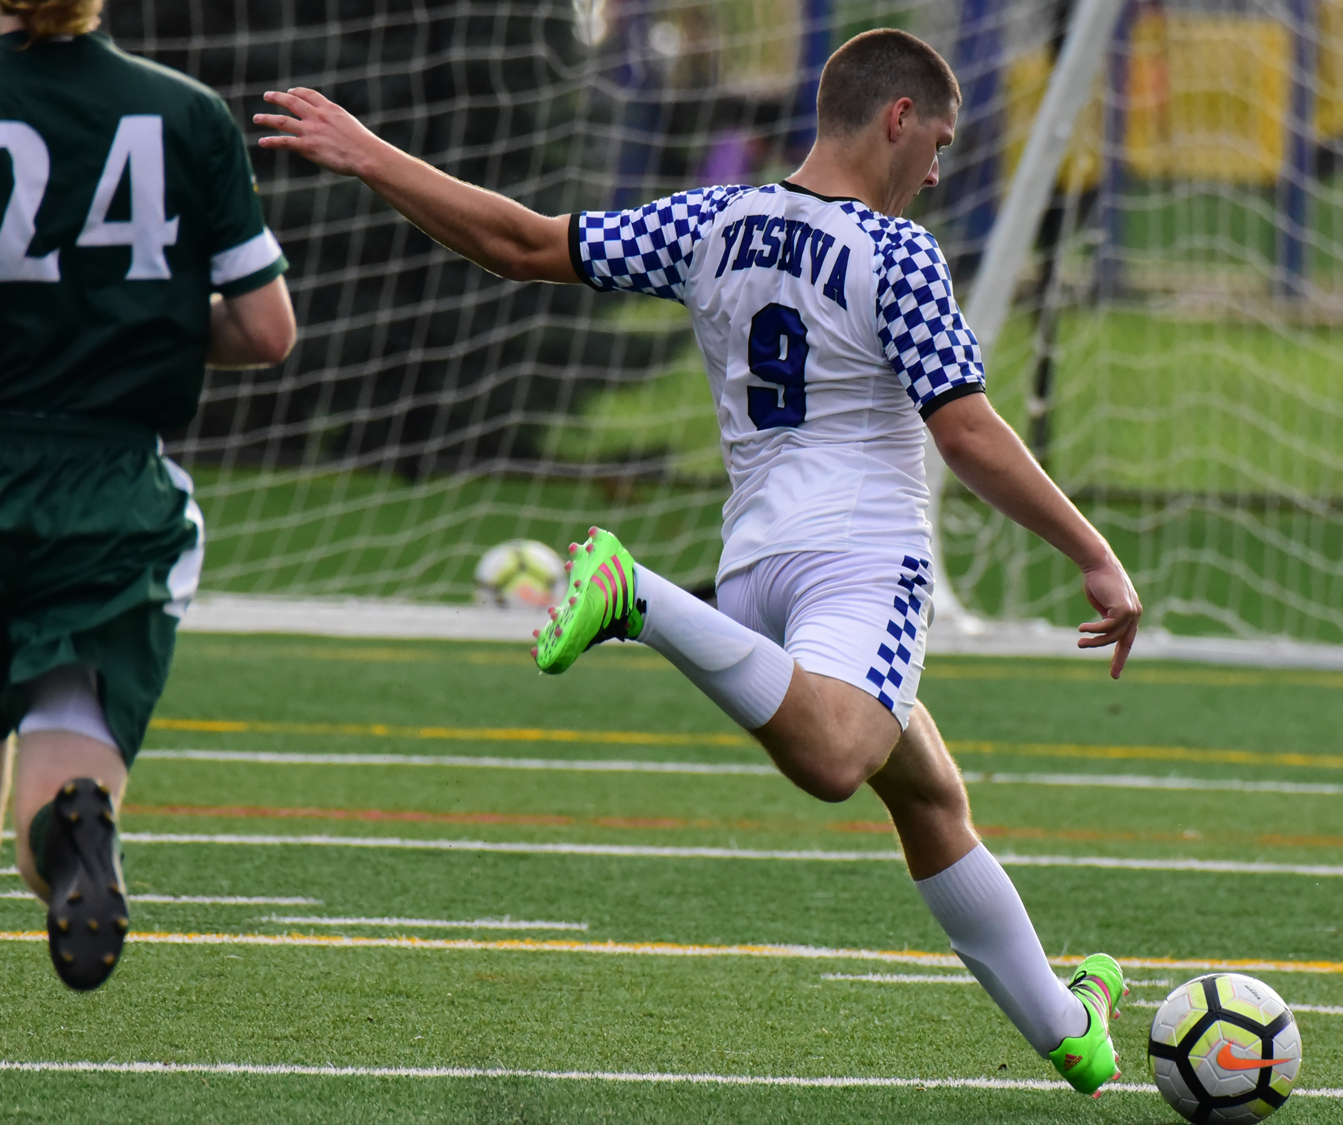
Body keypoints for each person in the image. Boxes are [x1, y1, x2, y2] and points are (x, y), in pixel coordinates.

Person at [256, 28, 1142, 1092]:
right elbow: (964, 431)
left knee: (929, 796)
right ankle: (635, 596)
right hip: (861, 564)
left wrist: (373, 156)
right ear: (898, 117)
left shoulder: (710, 220)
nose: (940, 169)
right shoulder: (896, 253)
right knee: (836, 760)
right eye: (941, 140)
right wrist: (1092, 552)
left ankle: (1069, 1028)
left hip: (756, 571)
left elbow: (525, 244)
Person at [0, 0, 295, 988]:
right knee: (62, 757)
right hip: (110, 493)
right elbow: (265, 331)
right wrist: (148, 321)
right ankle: (74, 834)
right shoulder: (187, 112)